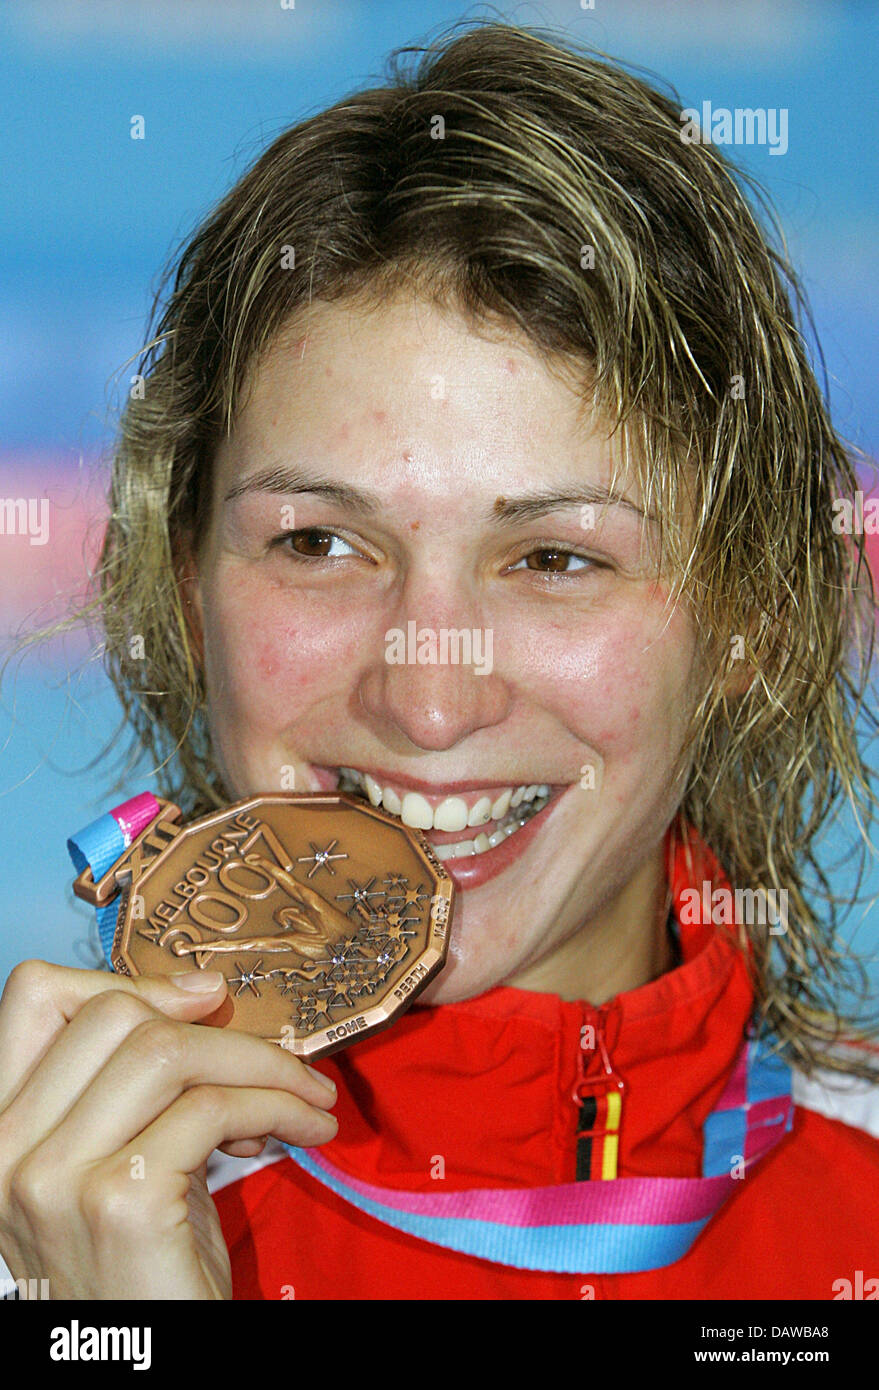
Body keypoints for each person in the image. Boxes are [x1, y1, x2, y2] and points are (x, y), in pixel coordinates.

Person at [1, 19, 877, 1301]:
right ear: (187, 593)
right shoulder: (39, 1236)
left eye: (555, 559)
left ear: (755, 619)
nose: (426, 696)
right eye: (319, 541)